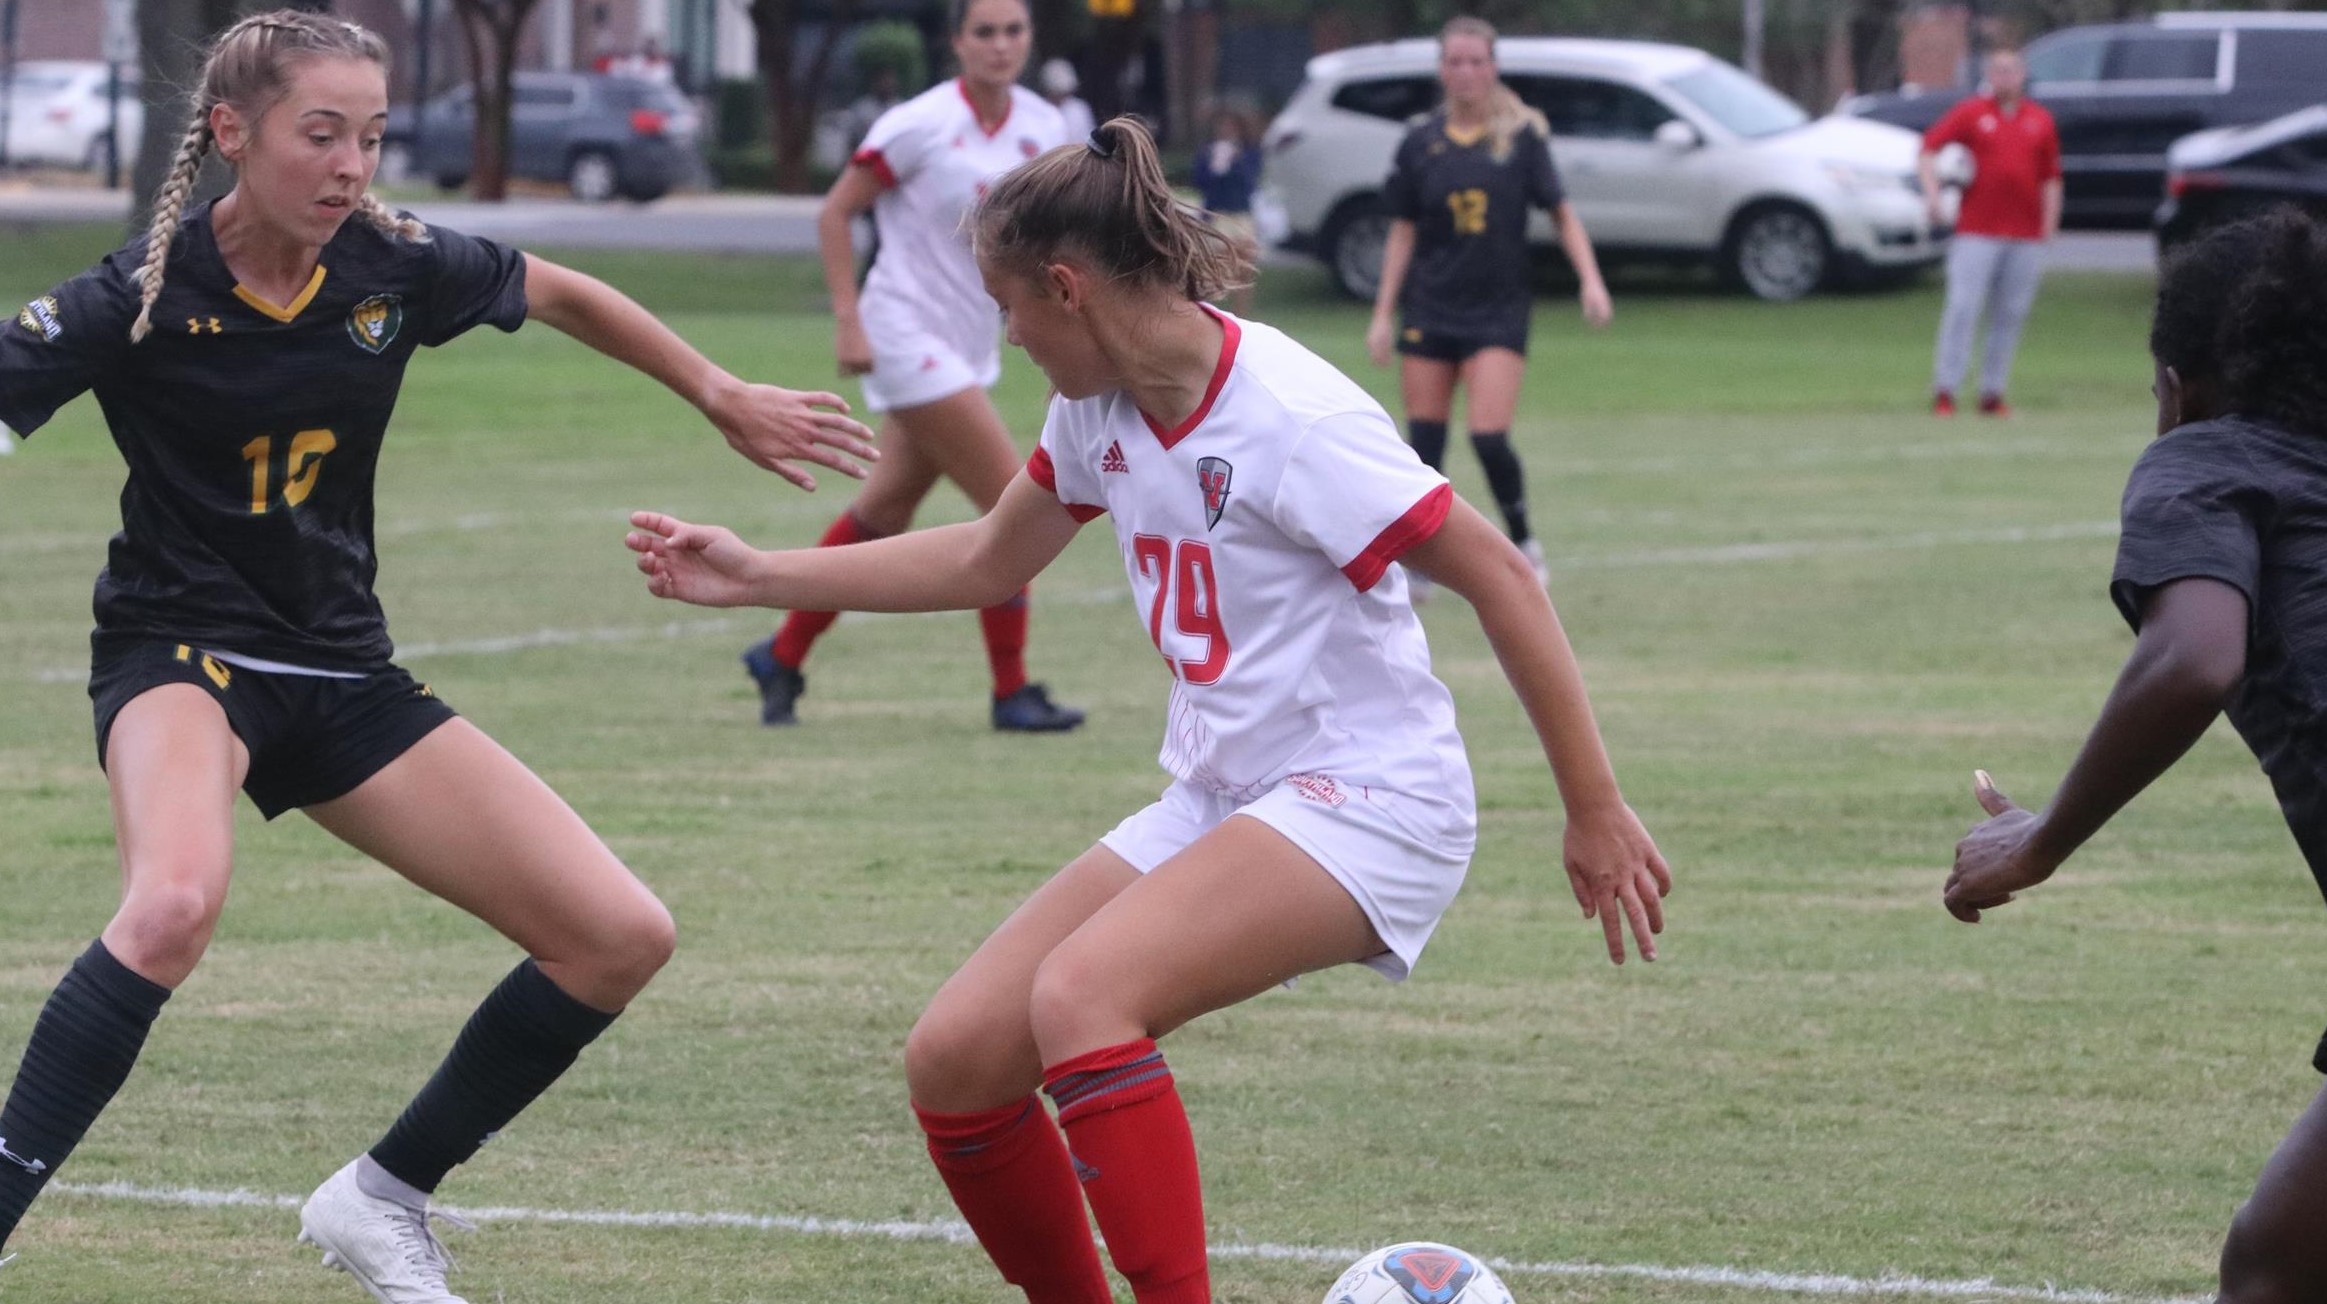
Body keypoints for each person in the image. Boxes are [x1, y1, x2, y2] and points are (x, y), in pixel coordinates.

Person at [629, 115, 1671, 1304]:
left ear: (1066, 289)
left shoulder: (1290, 414)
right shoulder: (1098, 406)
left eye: (1008, 305)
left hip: (1373, 795)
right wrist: (759, 572)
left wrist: (1592, 805)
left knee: (1082, 997)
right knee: (959, 1056)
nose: (1004, 333)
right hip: (1227, 791)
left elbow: (1498, 576)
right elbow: (984, 559)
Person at [0, 12, 873, 1300]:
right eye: (321, 134)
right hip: (182, 654)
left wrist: (719, 390)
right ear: (232, 134)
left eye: (372, 135)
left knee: (616, 933)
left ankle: (379, 1197)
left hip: (345, 672)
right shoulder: (135, 296)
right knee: (173, 901)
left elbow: (563, 289)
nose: (353, 164)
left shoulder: (392, 265)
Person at [1944, 207, 2327, 1303]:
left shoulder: (2203, 463)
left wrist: (2039, 840)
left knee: (2272, 1272)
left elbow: (2194, 658)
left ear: (2179, 382)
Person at [741, 0, 1085, 732]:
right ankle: (1010, 691)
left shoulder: (1044, 127)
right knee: (1009, 504)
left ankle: (782, 654)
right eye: (984, 32)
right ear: (956, 42)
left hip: (970, 343)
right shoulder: (918, 123)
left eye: (1013, 31)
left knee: (883, 510)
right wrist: (849, 319)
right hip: (903, 330)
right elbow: (836, 213)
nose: (1000, 45)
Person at [1366, 16, 1612, 600]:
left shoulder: (1521, 138)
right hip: (1431, 304)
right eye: (1455, 61)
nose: (1466, 72)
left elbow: (1562, 213)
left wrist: (1591, 280)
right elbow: (1402, 232)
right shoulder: (1419, 141)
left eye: (1477, 61)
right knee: (1423, 444)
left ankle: (1524, 541)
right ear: (1441, 69)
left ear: (1493, 68)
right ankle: (1420, 562)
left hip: (1498, 310)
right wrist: (1382, 312)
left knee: (1488, 437)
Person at [1919, 48, 2060, 418]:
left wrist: (2049, 223)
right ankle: (1946, 389)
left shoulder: (2039, 120)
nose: (2004, 77)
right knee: (1963, 309)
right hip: (1976, 231)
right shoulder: (1972, 113)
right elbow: (1929, 149)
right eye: (1997, 70)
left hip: (2025, 233)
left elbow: (2050, 177)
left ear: (2023, 75)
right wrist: (1934, 197)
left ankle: (1991, 392)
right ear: (1988, 75)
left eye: (2010, 70)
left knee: (2010, 314)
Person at [1190, 105, 1263, 317]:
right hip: (1217, 213)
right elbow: (1199, 181)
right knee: (1216, 264)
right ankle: (1212, 312)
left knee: (1244, 265)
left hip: (1240, 213)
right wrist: (1214, 166)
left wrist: (1235, 162)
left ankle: (1241, 312)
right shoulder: (1207, 151)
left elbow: (1250, 183)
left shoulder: (1248, 153)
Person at [1038, 58, 1094, 144]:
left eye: (1063, 92)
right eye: (1056, 92)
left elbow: (1087, 138)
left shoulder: (1079, 109)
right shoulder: (1039, 109)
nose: (1060, 97)